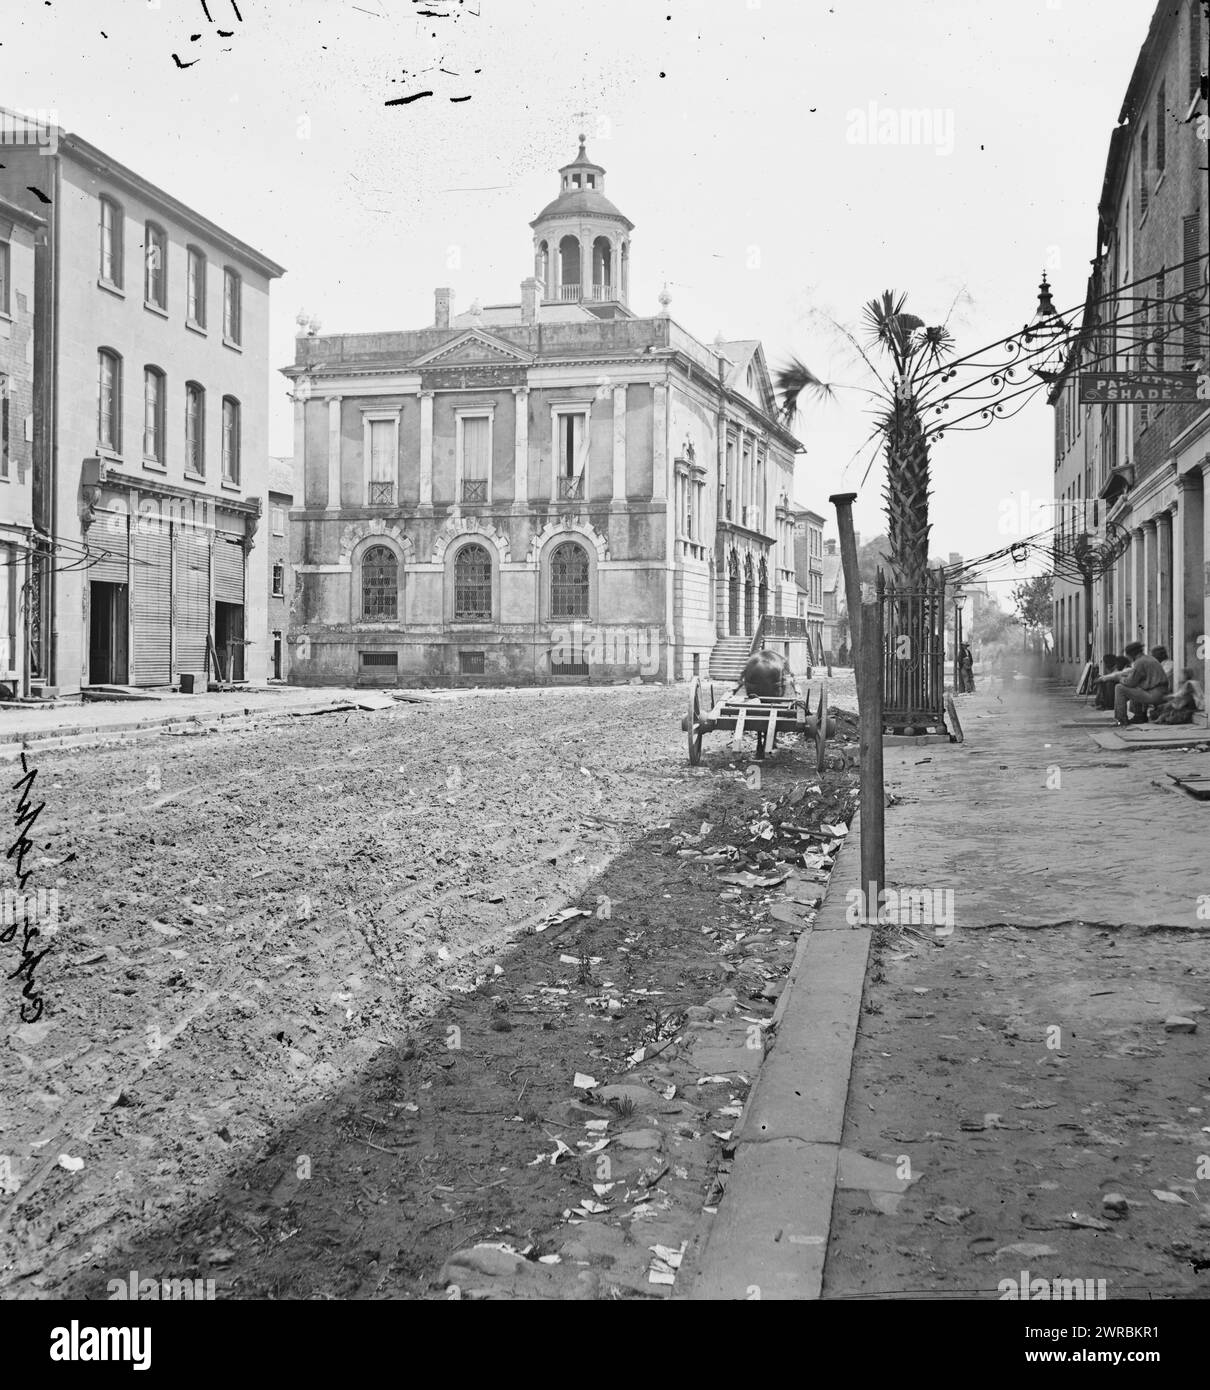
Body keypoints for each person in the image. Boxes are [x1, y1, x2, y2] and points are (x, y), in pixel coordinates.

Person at [1107, 641, 1170, 725]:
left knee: (1119, 688)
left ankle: (1121, 719)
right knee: (1136, 688)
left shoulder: (1139, 662)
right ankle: (1139, 716)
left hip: (1155, 695)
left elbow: (1131, 682)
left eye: (1128, 656)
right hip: (1162, 692)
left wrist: (1120, 678)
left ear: (1132, 655)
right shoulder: (1150, 658)